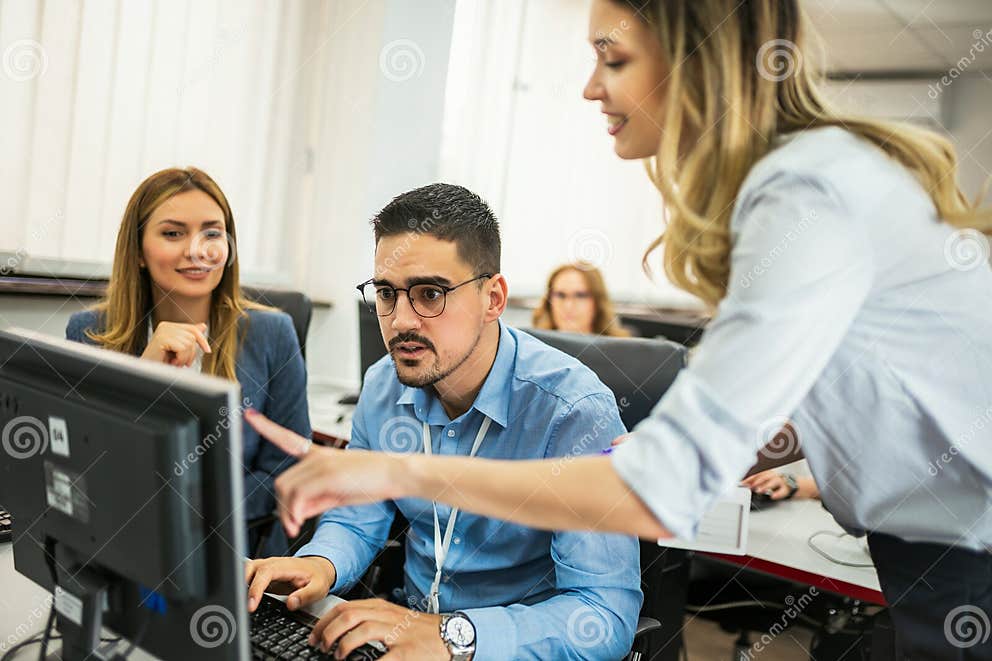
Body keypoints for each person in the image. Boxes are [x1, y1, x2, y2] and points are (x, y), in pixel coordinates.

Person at [249, 2, 992, 657]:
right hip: (932, 546)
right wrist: (743, 437)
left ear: (699, 58)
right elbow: (852, 385)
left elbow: (652, 499)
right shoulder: (811, 178)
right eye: (386, 292)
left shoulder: (803, 192)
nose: (590, 86)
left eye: (615, 57)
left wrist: (396, 468)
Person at [245, 184, 641, 660]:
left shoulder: (571, 412)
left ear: (493, 298)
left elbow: (604, 615)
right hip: (401, 637)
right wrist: (319, 563)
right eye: (387, 294)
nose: (401, 320)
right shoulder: (384, 386)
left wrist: (455, 636)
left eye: (430, 294)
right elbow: (358, 515)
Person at [66, 167, 309, 556]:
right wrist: (144, 376)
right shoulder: (89, 332)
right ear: (138, 251)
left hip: (231, 553)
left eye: (212, 232)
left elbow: (287, 471)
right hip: (119, 547)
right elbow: (85, 468)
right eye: (173, 233)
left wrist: (187, 513)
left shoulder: (272, 333)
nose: (197, 250)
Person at [532, 262, 631, 336]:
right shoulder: (532, 347)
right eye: (560, 295)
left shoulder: (622, 351)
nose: (568, 306)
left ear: (597, 302)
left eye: (580, 295)